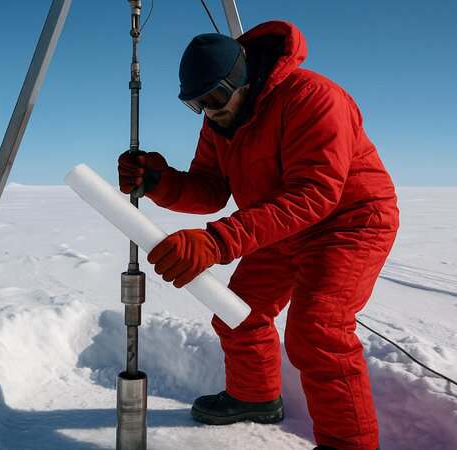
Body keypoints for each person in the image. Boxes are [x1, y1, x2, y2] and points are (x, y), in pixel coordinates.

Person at [117, 21, 398, 450]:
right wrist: (161, 182)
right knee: (235, 311)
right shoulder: (220, 121)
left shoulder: (314, 98)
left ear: (242, 80)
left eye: (214, 99)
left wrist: (216, 242)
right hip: (280, 225)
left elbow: (315, 193)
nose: (209, 112)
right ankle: (255, 398)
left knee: (318, 330)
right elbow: (211, 188)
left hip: (349, 222)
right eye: (196, 105)